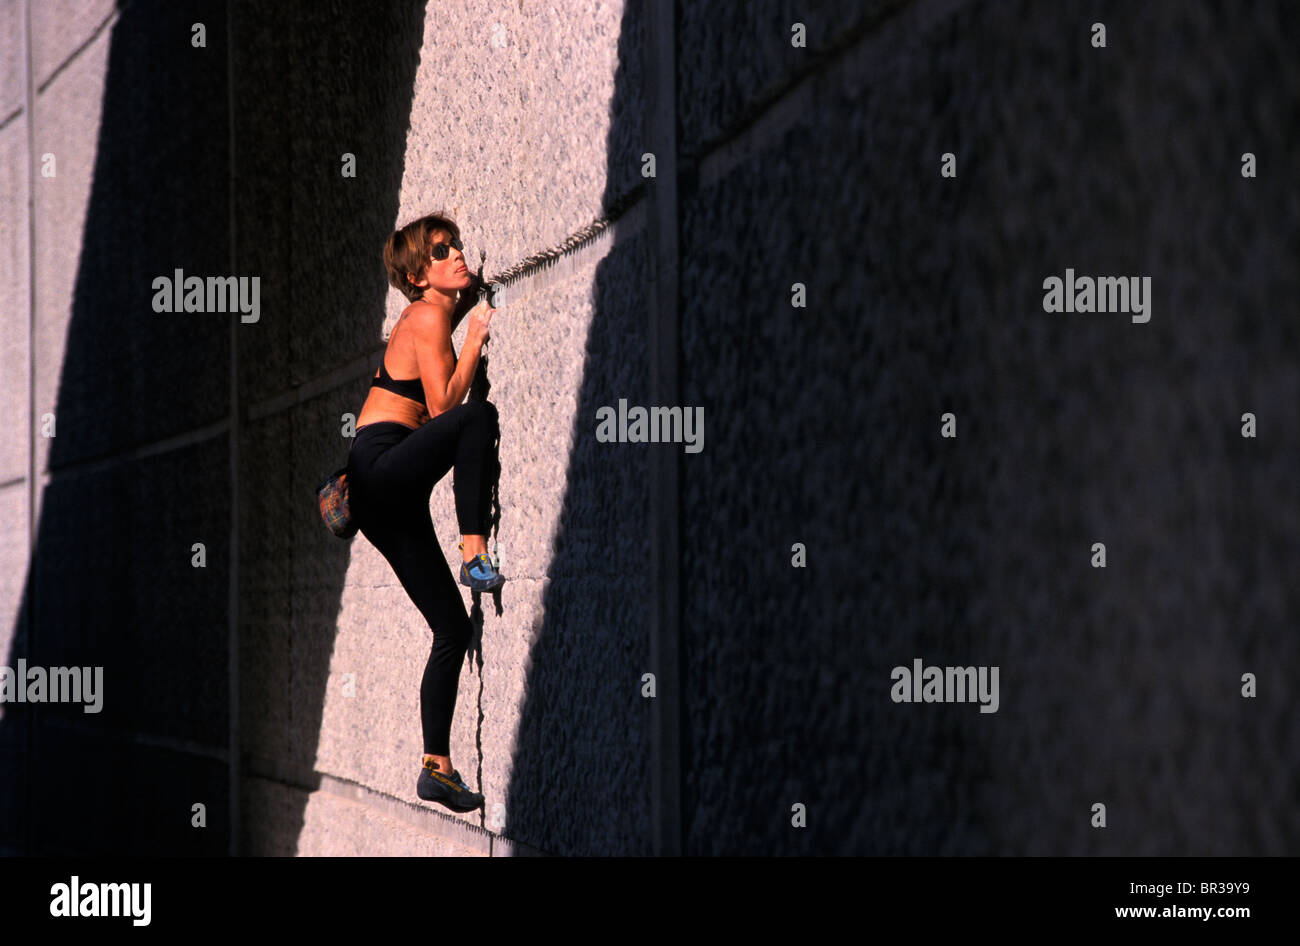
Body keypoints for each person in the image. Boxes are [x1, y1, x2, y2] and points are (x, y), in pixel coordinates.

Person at [346, 211, 504, 812]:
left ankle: (435, 766)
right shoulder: (428, 314)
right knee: (476, 418)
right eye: (442, 251)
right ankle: (474, 549)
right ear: (418, 278)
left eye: (457, 245)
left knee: (452, 629)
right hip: (381, 466)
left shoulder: (433, 314)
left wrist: (466, 320)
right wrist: (476, 339)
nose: (457, 254)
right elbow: (443, 409)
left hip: (381, 494)